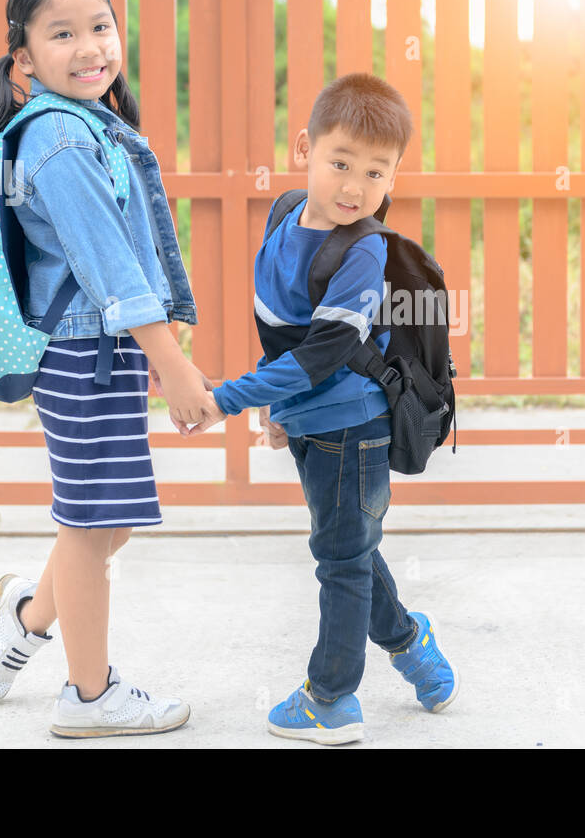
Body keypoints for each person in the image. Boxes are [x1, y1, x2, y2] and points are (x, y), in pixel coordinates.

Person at [0, 0, 219, 738]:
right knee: (90, 526)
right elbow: (110, 266)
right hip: (86, 351)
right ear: (24, 60)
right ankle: (89, 694)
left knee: (106, 520)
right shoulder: (60, 138)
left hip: (100, 352)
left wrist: (156, 354)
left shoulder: (87, 123)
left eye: (100, 26)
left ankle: (26, 620)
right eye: (62, 33)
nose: (89, 47)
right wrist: (171, 363)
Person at [195, 72, 459, 745]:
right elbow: (278, 324)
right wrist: (277, 408)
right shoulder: (285, 213)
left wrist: (223, 399)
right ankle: (410, 639)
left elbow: (322, 354)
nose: (353, 186)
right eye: (340, 163)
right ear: (303, 148)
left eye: (375, 173)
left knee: (340, 559)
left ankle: (331, 698)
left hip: (355, 426)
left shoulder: (365, 252)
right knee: (350, 546)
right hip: (311, 424)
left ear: (394, 175)